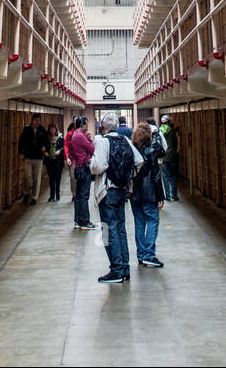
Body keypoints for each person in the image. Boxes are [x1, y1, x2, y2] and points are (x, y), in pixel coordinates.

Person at [90, 111, 144, 283]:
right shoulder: (126, 140)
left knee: (108, 229)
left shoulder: (103, 142)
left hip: (107, 191)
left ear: (104, 127)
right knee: (120, 228)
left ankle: (116, 270)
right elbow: (139, 161)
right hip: (122, 190)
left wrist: (94, 165)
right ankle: (124, 268)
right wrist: (127, 176)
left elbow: (97, 167)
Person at [130, 122, 165, 267]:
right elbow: (156, 175)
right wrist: (160, 196)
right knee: (152, 220)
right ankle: (149, 255)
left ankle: (141, 254)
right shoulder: (151, 151)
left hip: (134, 191)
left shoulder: (132, 150)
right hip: (149, 191)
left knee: (139, 222)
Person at [70, 115, 96, 230]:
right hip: (84, 169)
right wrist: (89, 139)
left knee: (79, 196)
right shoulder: (80, 136)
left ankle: (78, 220)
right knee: (84, 196)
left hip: (78, 167)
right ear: (82, 125)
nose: (87, 125)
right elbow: (92, 149)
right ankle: (85, 221)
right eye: (86, 123)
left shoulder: (75, 135)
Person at [18, 114, 47, 204]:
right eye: (36, 120)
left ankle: (34, 197)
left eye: (39, 120)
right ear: (32, 120)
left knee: (37, 178)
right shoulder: (27, 130)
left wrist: (45, 148)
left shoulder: (42, 130)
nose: (38, 122)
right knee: (27, 176)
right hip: (28, 156)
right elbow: (21, 142)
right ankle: (26, 193)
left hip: (38, 157)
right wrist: (21, 153)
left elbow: (46, 141)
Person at [160, 114, 180, 201]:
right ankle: (174, 194)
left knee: (164, 176)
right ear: (168, 121)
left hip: (164, 156)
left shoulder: (159, 131)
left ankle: (167, 196)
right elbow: (175, 143)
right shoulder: (172, 131)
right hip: (172, 155)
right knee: (173, 175)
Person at [43, 122, 64, 201]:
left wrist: (60, 151)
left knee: (58, 178)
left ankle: (57, 195)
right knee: (51, 178)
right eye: (51, 128)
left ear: (56, 129)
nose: (52, 130)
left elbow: (63, 147)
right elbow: (44, 147)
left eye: (54, 128)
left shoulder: (60, 137)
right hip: (49, 161)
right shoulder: (46, 138)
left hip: (58, 161)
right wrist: (45, 152)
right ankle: (52, 195)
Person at [64, 117, 77, 200]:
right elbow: (66, 146)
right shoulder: (70, 134)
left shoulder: (83, 132)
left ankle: (79, 193)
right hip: (73, 158)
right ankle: (74, 194)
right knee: (73, 177)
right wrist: (67, 156)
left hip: (80, 158)